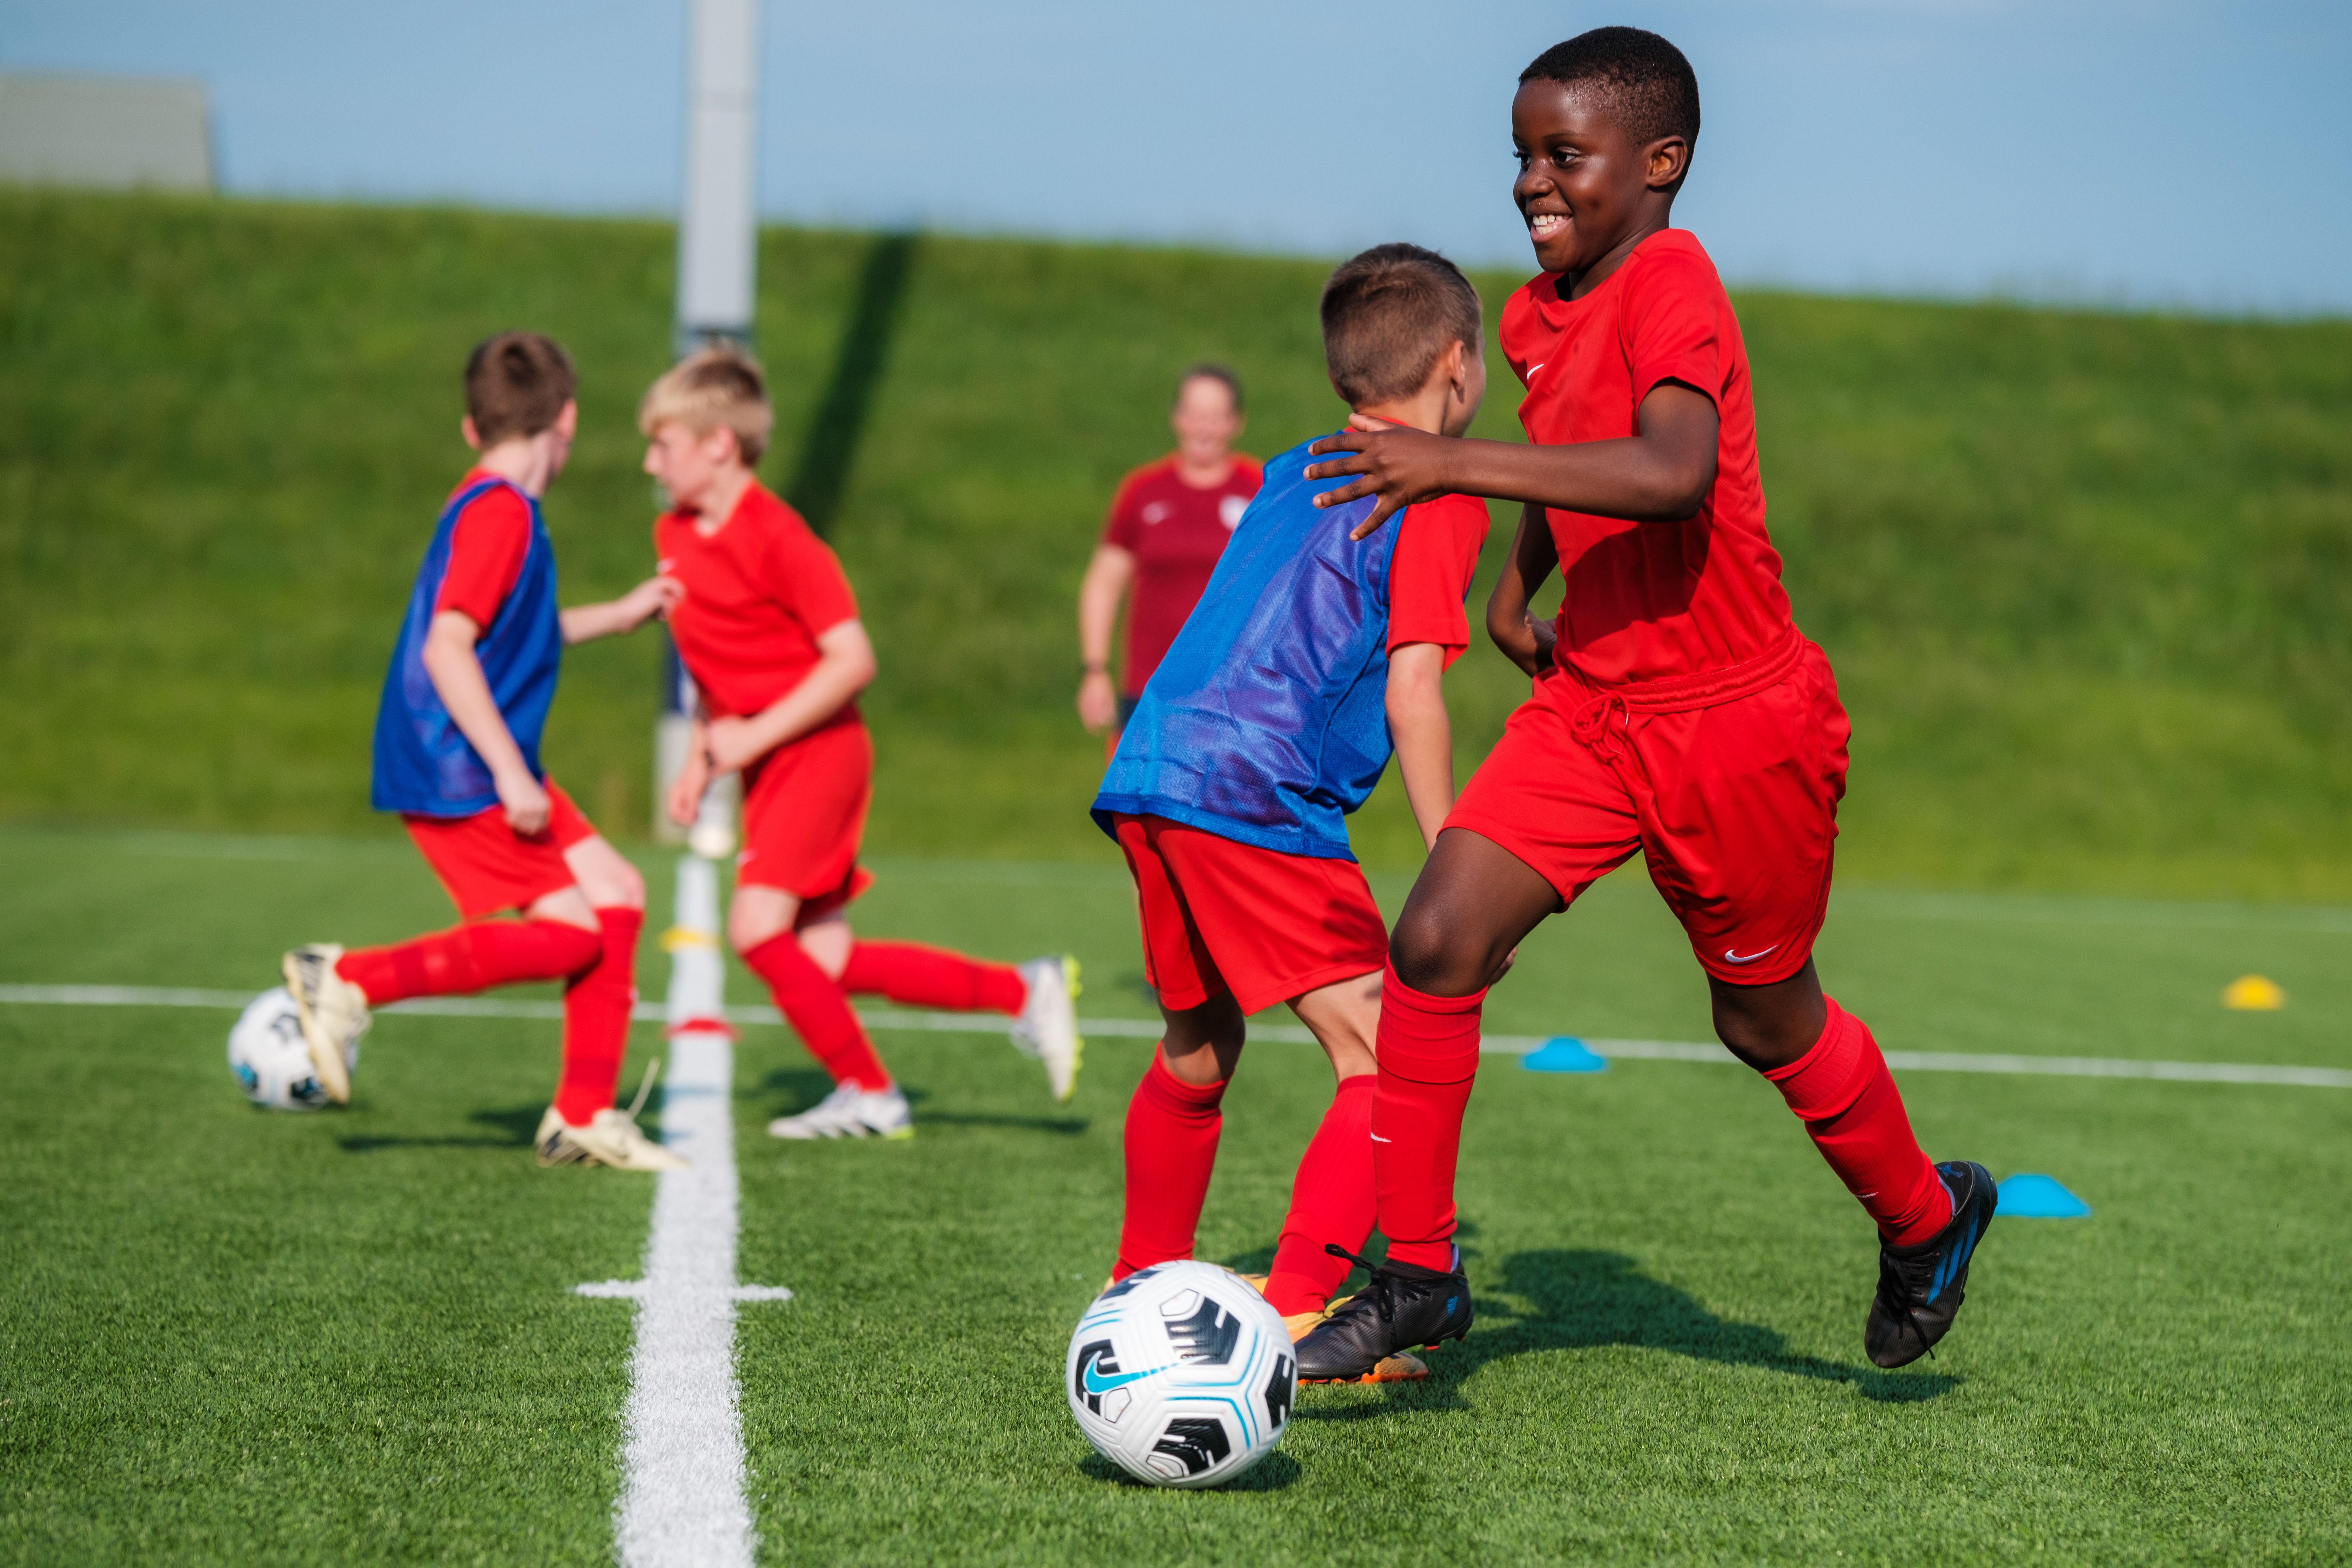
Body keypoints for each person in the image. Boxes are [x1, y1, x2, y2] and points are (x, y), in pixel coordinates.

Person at [1290, 28, 1997, 1381]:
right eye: (1520, 153)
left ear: (1659, 161)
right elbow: (1569, 455)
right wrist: (1517, 593)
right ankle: (1420, 1275)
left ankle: (1925, 1215)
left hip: (1735, 724)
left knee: (1762, 1019)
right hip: (1591, 706)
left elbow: (1671, 473)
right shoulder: (1529, 314)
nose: (1531, 181)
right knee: (1433, 939)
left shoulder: (1674, 281)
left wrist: (1452, 465)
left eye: (1565, 154)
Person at [1093, 245, 1491, 1382]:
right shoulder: (1439, 488)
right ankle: (1297, 1310)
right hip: (1253, 787)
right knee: (1389, 1049)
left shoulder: (1294, 465)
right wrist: (1458, 862)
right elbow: (1414, 689)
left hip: (1156, 764)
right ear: (1456, 366)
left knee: (1198, 1044)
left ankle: (1134, 1290)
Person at [642, 347, 1082, 1140]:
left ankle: (872, 1092)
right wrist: (701, 757)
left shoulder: (780, 537)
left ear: (719, 444)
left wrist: (748, 738)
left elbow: (853, 660)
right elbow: (718, 661)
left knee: (754, 929)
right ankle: (1025, 990)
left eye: (663, 444)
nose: (650, 462)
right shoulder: (672, 533)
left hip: (820, 753)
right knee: (825, 959)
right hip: (765, 762)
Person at [279, 331, 685, 1171]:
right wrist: (506, 771)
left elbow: (516, 634)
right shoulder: (502, 513)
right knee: (575, 936)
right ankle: (347, 979)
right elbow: (448, 646)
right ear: (568, 419)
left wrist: (617, 615)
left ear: (473, 428)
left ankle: (582, 1115)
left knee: (617, 890)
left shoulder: (493, 505)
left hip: (476, 756)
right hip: (460, 765)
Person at [1076, 367, 1262, 744]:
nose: (1203, 429)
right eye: (1194, 414)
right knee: (1136, 783)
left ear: (1236, 423)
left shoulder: (1258, 488)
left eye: (1216, 417)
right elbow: (1104, 583)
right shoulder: (1143, 490)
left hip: (1233, 692)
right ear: (1177, 417)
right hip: (1150, 688)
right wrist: (1094, 670)